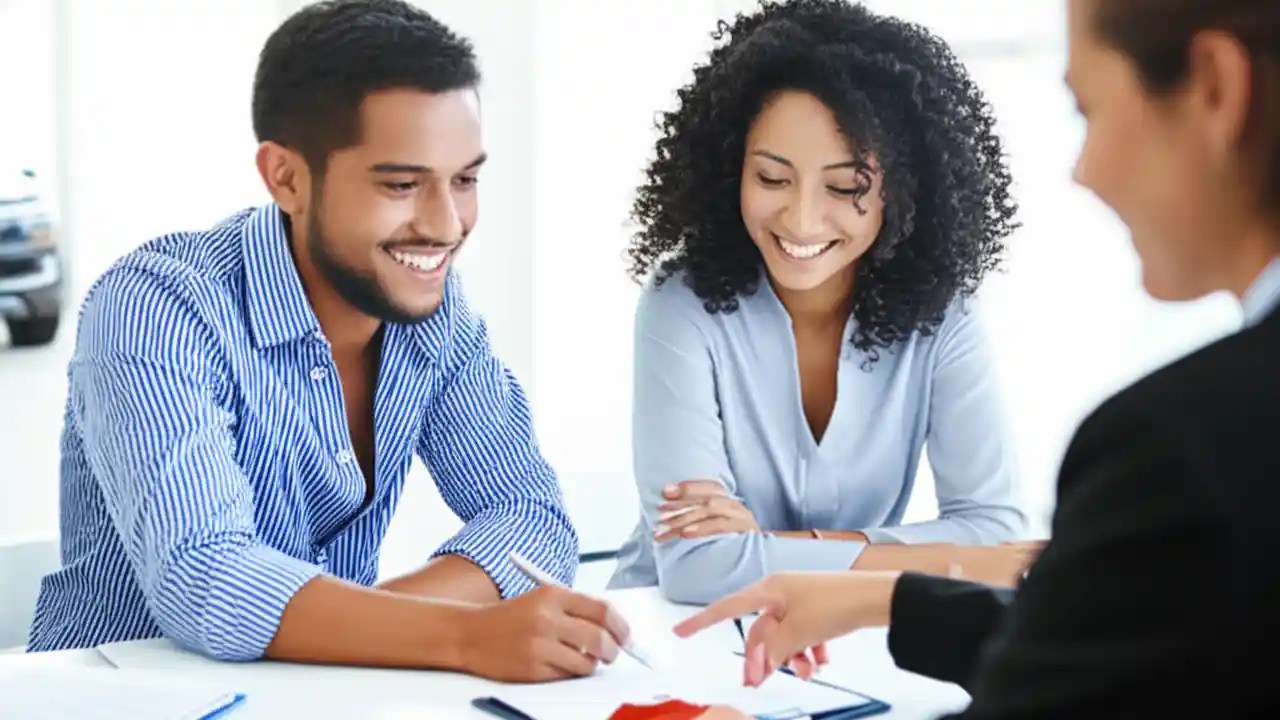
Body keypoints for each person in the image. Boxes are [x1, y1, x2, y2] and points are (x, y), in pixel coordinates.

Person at [678, 0, 1280, 715]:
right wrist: (886, 596)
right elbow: (1145, 645)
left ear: (1214, 88)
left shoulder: (1177, 450)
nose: (1083, 171)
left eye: (1087, 109)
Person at [27, 0, 629, 683]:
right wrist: (463, 636)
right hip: (124, 699)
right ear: (286, 178)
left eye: (464, 180)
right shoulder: (157, 306)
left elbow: (532, 519)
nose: (446, 224)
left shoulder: (433, 312)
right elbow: (209, 580)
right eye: (402, 184)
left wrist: (362, 632)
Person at [610, 0, 1033, 605]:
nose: (802, 219)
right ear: (731, 171)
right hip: (673, 631)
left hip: (843, 629)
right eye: (771, 178)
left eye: (844, 187)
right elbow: (696, 568)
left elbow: (997, 534)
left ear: (902, 190)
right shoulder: (683, 304)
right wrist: (938, 557)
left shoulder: (944, 316)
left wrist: (775, 546)